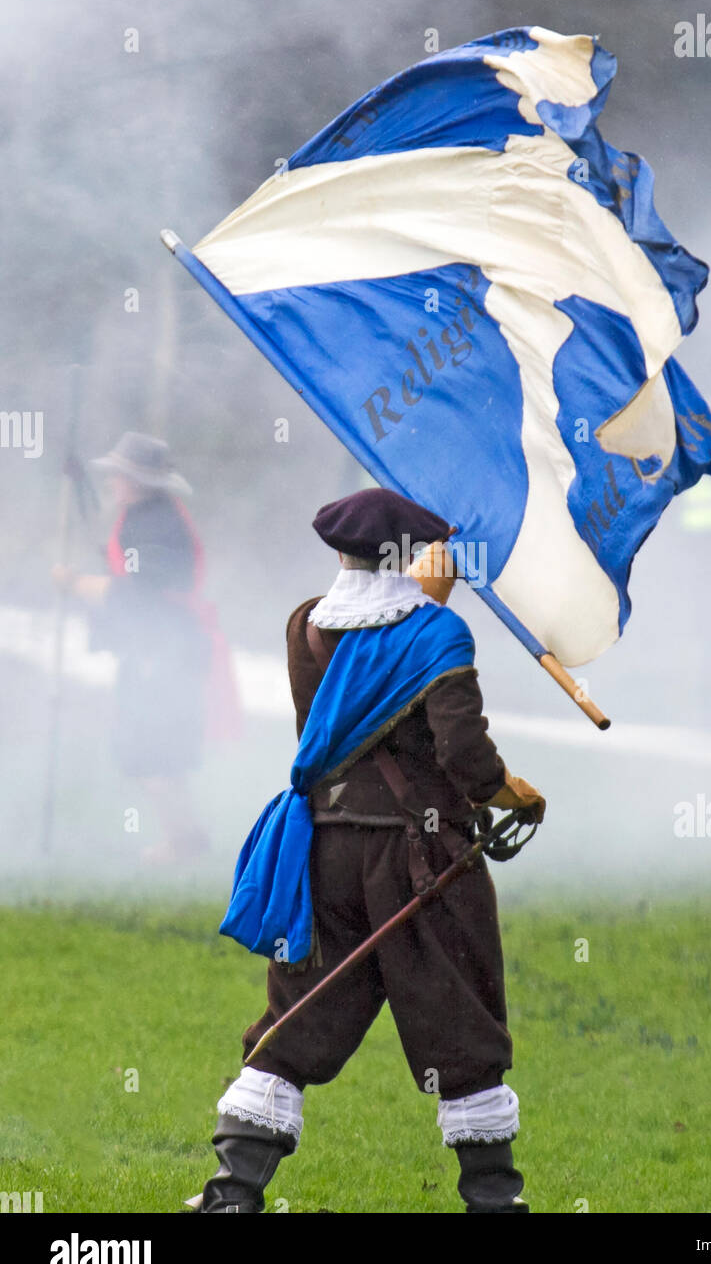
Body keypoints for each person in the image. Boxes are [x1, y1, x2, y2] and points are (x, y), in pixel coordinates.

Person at [193, 487, 545, 1214]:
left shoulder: (306, 627)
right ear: (409, 555)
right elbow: (466, 759)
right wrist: (514, 794)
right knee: (462, 1028)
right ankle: (493, 1201)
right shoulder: (436, 636)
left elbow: (327, 732)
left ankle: (232, 1195)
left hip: (322, 855)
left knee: (294, 1025)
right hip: (420, 863)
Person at [53, 431, 239, 863]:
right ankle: (186, 838)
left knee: (150, 753)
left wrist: (74, 583)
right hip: (155, 652)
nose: (114, 482)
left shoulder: (155, 523)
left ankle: (184, 842)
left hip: (163, 655)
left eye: (120, 475)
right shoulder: (147, 515)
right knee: (153, 754)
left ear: (137, 481)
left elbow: (137, 594)